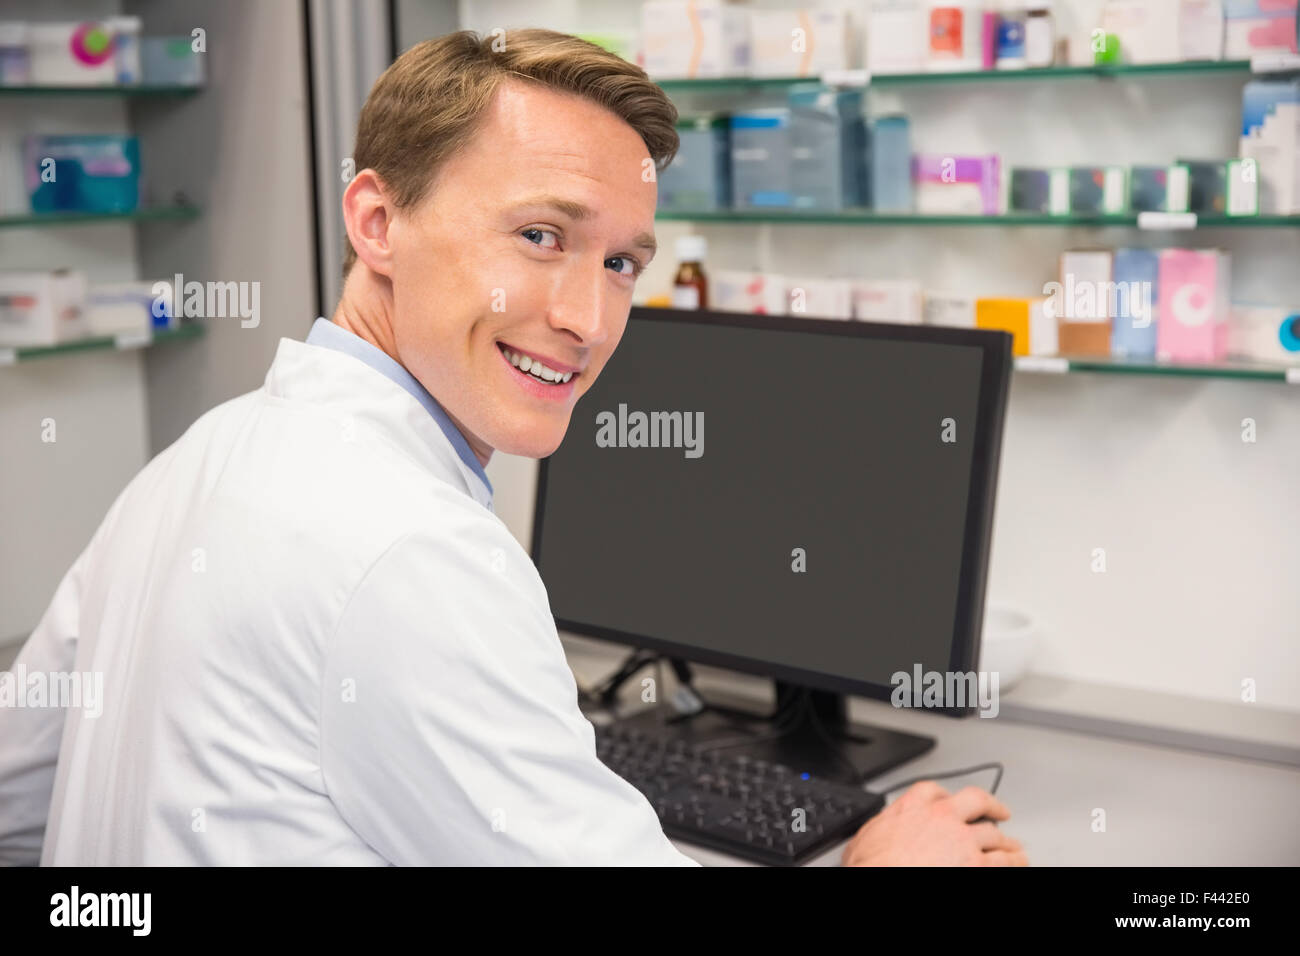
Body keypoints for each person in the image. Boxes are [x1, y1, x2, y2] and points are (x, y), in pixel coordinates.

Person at [0, 29, 1026, 867]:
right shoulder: (412, 552)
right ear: (376, 221)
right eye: (540, 235)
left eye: (622, 261)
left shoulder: (201, 456)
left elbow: (14, 797)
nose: (587, 317)